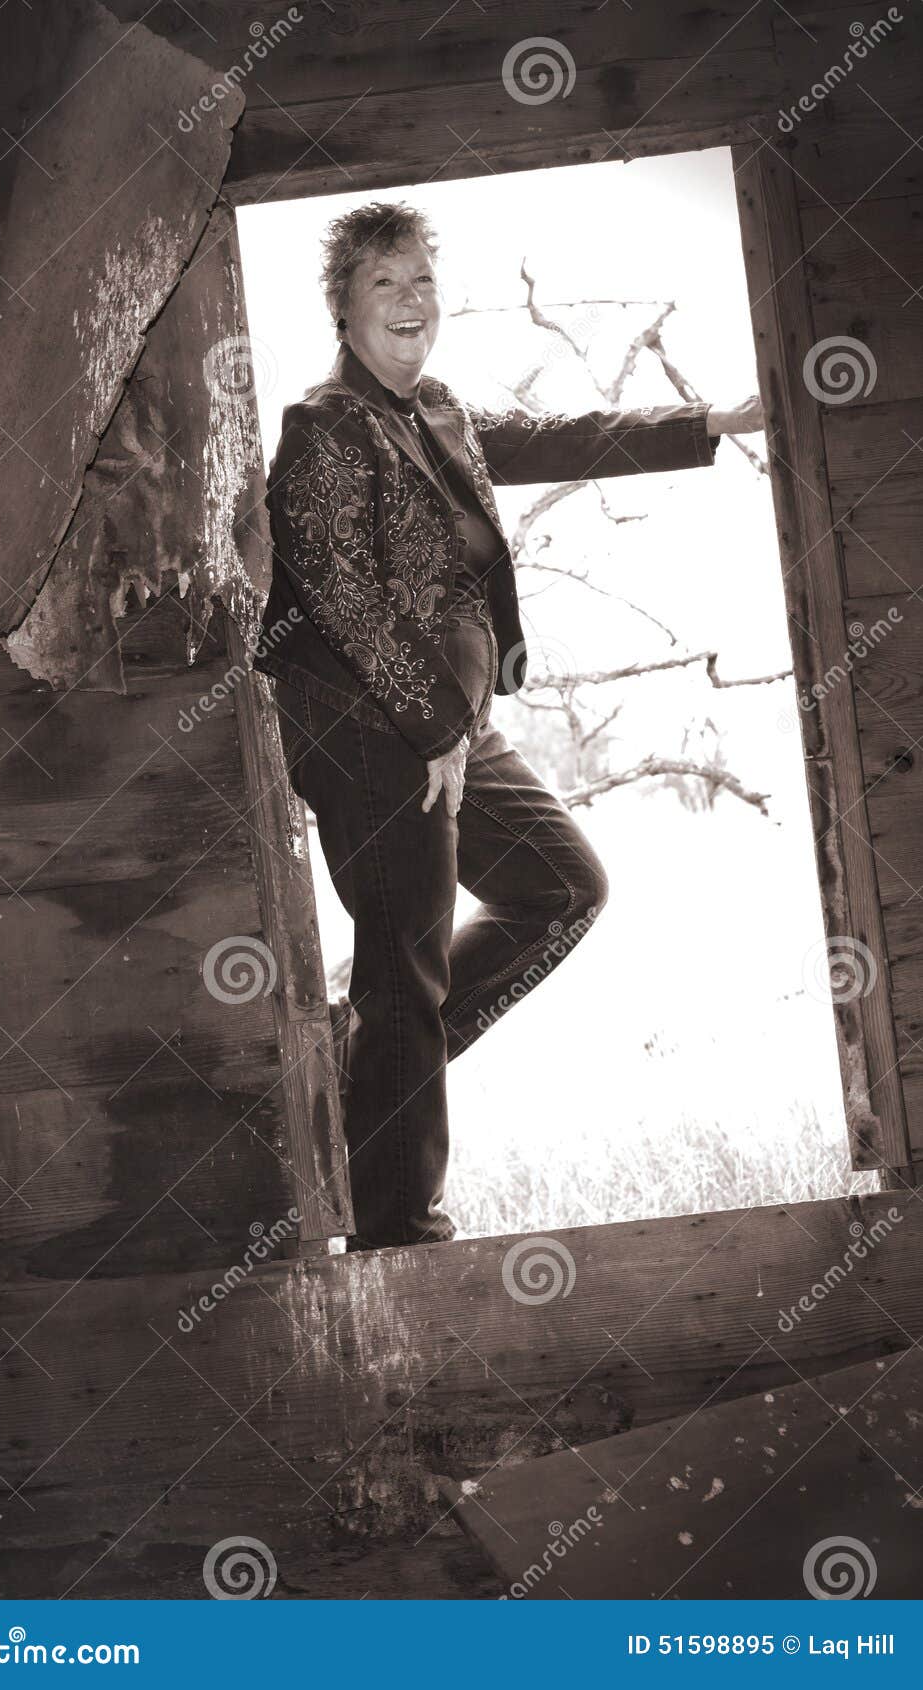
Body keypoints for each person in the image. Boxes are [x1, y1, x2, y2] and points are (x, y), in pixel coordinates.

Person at [252, 201, 763, 1251]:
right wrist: (436, 727)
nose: (410, 300)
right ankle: (396, 1231)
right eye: (384, 282)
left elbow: (549, 436)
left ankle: (376, 1058)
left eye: (422, 280)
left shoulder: (431, 408)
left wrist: (705, 424)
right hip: (368, 723)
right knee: (406, 958)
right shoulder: (325, 426)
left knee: (560, 887)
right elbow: (337, 591)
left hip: (445, 724)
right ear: (342, 306)